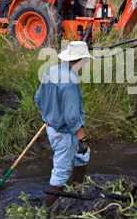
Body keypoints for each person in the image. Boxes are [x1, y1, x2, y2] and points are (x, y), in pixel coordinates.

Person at [34, 41, 94, 207]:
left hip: (51, 127)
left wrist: (47, 114)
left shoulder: (51, 71)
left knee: (82, 158)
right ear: (78, 60)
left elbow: (38, 99)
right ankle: (48, 211)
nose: (84, 65)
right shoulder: (70, 82)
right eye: (84, 61)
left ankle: (77, 195)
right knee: (61, 172)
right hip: (65, 134)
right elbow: (71, 117)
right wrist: (82, 138)